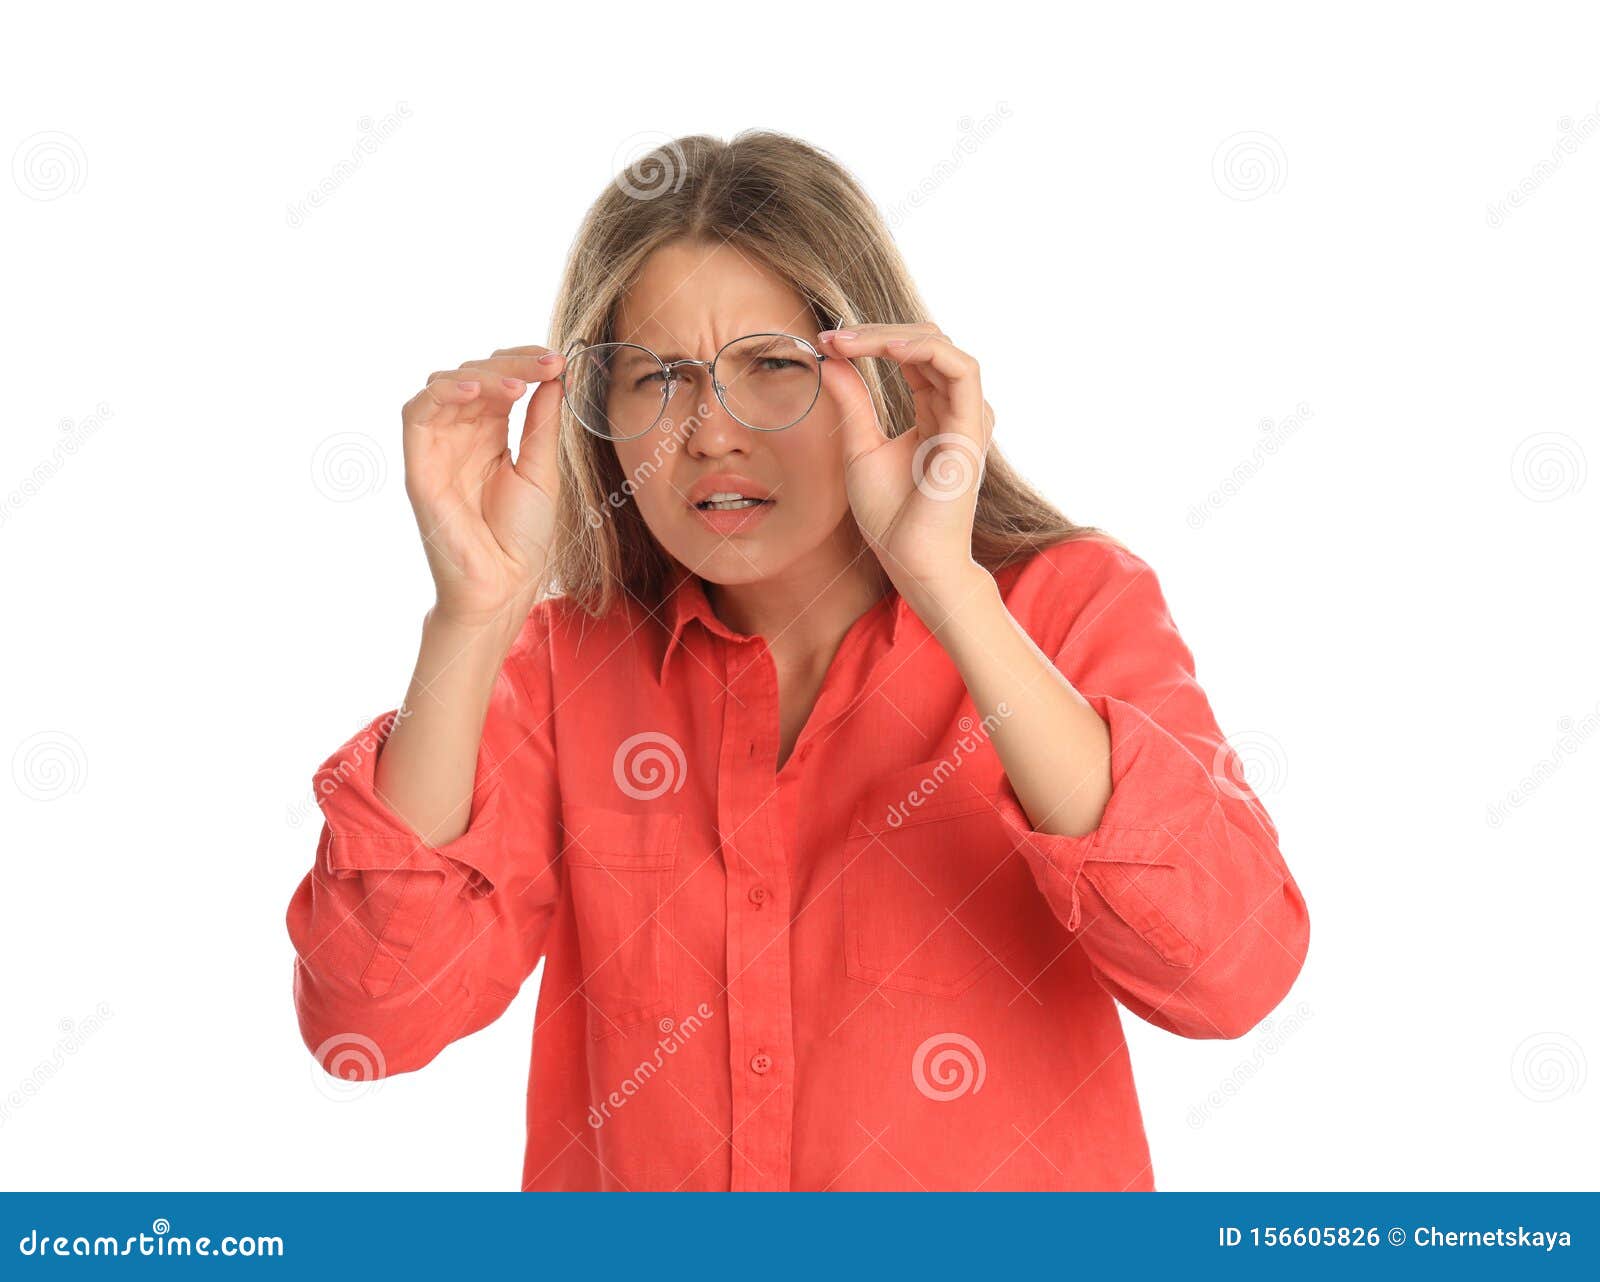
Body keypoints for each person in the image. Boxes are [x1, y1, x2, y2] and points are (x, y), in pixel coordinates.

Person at [285, 129, 1309, 1192]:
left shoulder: (1067, 607)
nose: (711, 434)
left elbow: (1227, 975)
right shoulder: (563, 669)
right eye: (657, 380)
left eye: (772, 366)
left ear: (884, 378)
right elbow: (369, 1017)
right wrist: (469, 621)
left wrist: (950, 590)